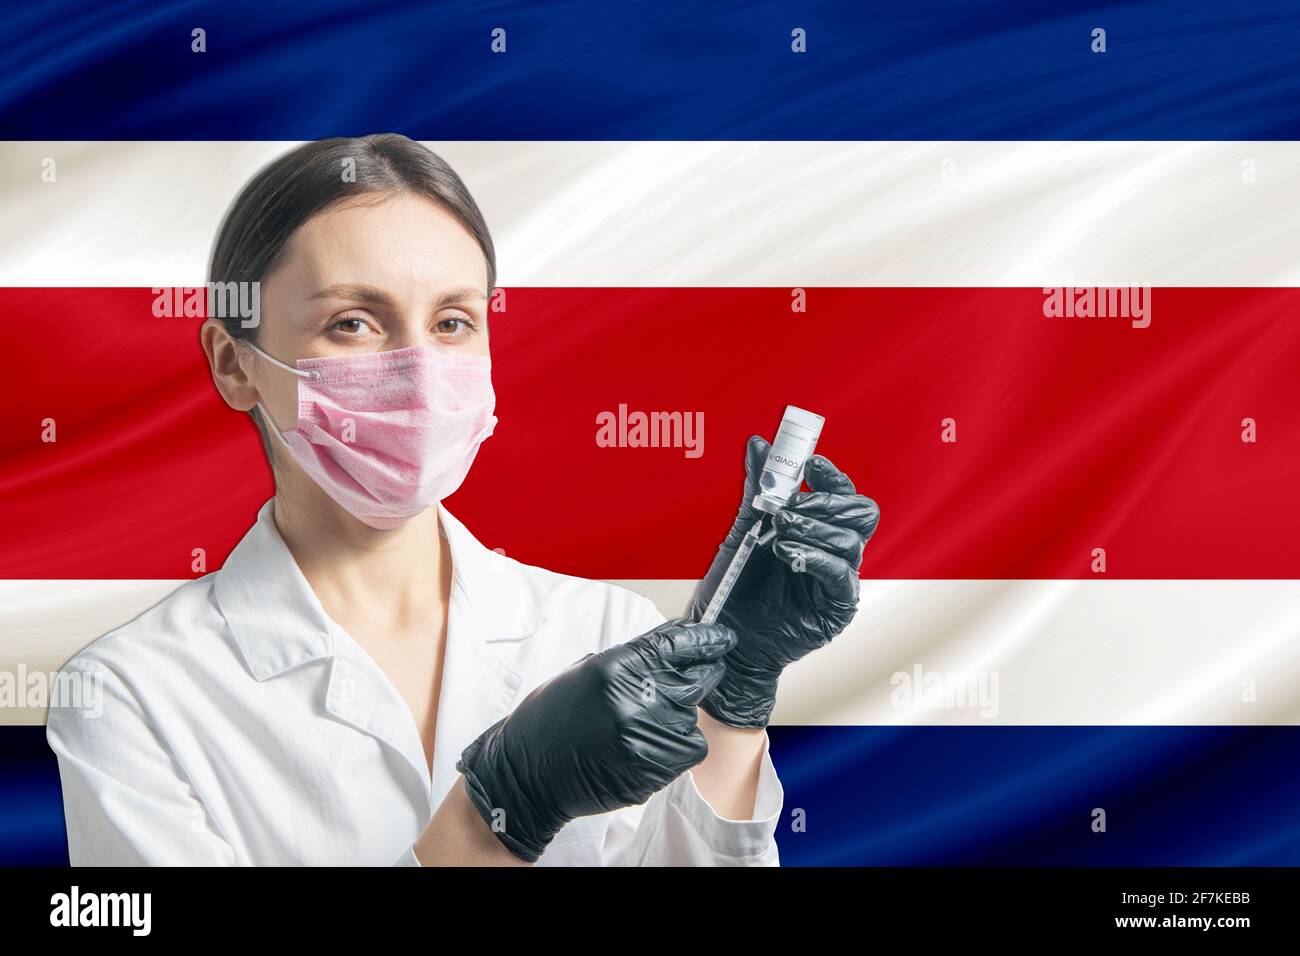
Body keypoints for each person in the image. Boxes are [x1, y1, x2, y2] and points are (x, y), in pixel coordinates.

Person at [45, 134, 879, 865]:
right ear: (235, 363)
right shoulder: (133, 696)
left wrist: (731, 706)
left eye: (451, 322)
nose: (418, 370)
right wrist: (499, 814)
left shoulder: (605, 636)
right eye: (353, 323)